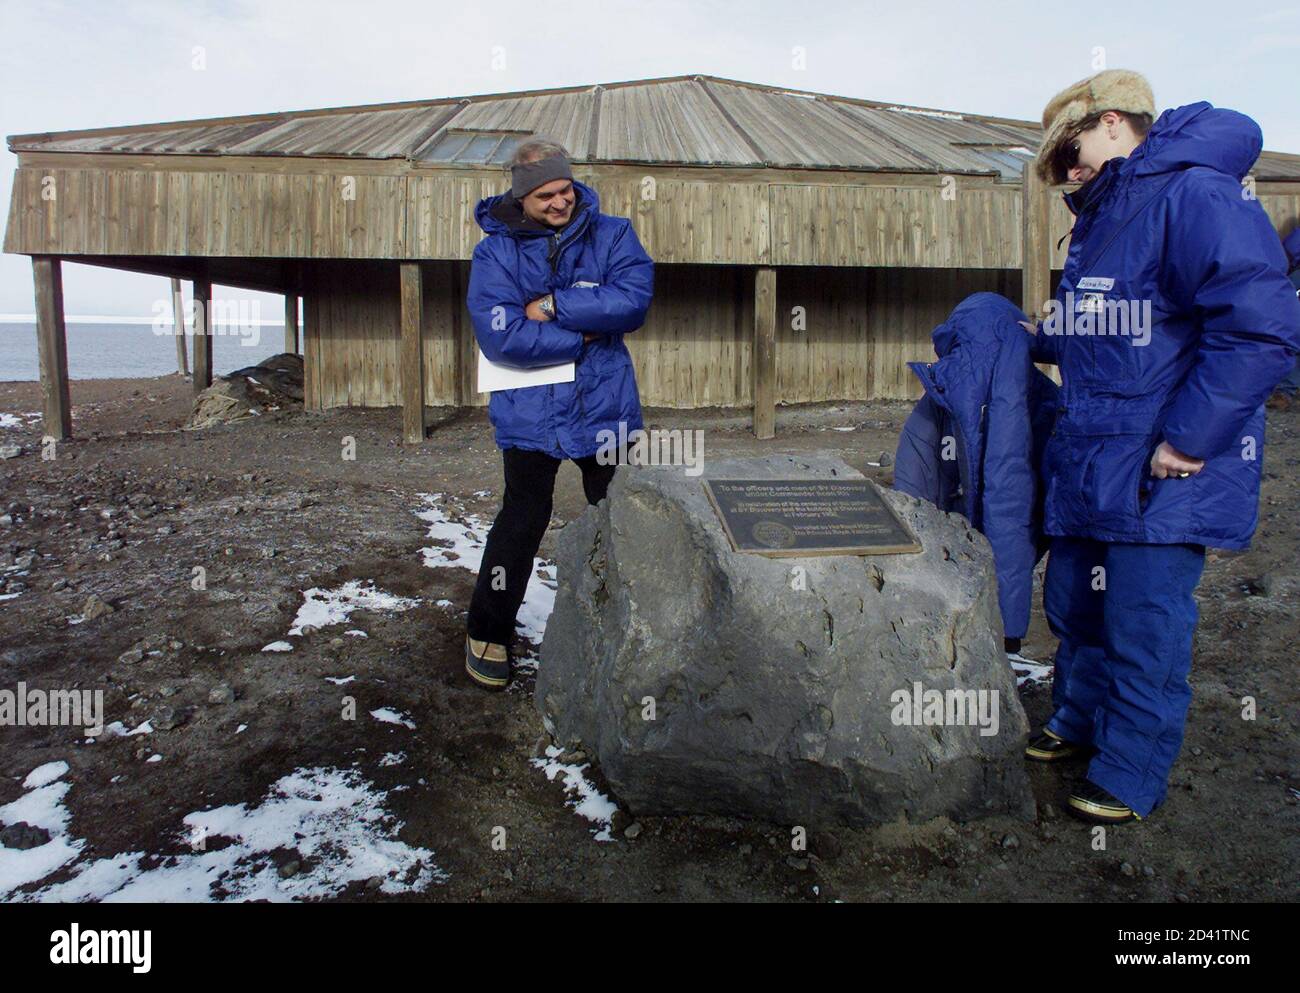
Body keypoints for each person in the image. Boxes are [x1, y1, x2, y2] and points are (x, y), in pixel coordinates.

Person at [1024, 70, 1300, 823]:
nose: (1065, 174)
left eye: (1069, 154)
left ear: (1113, 122)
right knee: (1077, 605)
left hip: (1160, 463)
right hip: (1094, 454)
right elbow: (1119, 325)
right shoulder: (1104, 217)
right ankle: (1077, 720)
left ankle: (1129, 769)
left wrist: (1189, 437)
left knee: (1143, 620)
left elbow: (1260, 326)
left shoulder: (1195, 195)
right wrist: (1039, 335)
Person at [463, 138, 654, 690]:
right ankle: (488, 630)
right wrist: (587, 333)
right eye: (546, 194)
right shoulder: (494, 253)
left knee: (619, 515)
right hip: (530, 412)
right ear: (521, 196)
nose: (560, 202)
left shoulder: (613, 233)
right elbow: (501, 338)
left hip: (604, 404)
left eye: (566, 189)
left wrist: (550, 307)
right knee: (522, 521)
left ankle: (633, 621)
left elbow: (633, 301)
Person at [893, 292, 1060, 656]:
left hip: (946, 561)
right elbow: (1056, 493)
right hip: (1012, 568)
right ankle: (1007, 640)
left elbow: (911, 484)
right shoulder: (1046, 399)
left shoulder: (938, 396)